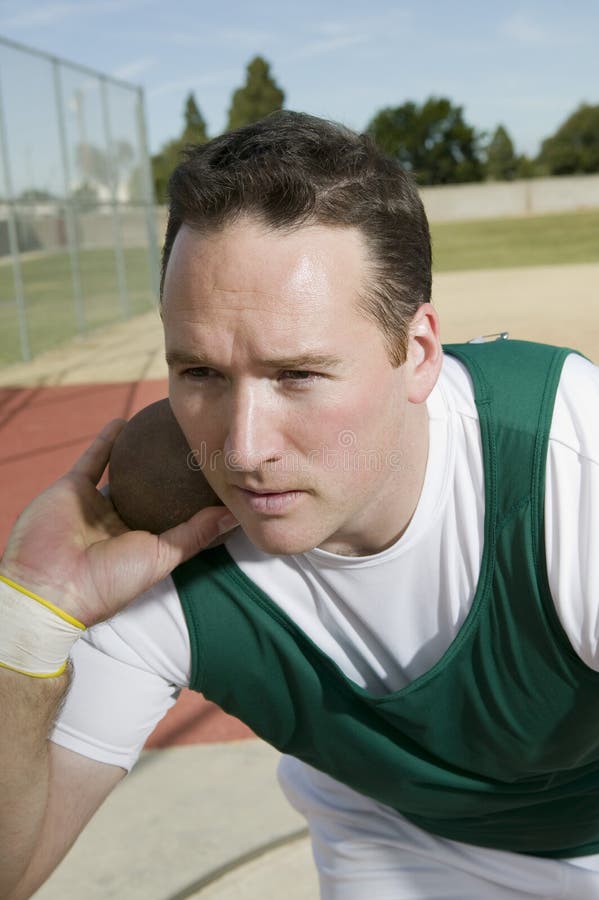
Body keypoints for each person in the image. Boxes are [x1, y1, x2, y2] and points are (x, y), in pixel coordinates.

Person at [1, 111, 598, 900]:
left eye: (299, 375)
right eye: (201, 374)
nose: (243, 451)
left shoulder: (565, 466)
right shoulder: (151, 550)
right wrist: (30, 615)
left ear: (415, 354)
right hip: (389, 837)